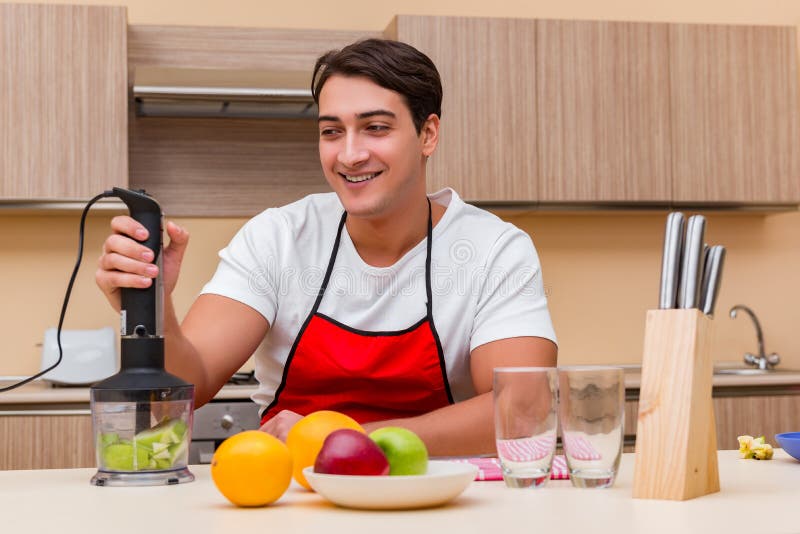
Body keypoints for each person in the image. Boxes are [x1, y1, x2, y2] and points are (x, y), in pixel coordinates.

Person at [95, 38, 557, 456]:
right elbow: (181, 395)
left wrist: (346, 440)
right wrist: (156, 308)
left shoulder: (494, 250)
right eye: (332, 131)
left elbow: (521, 409)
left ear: (428, 134)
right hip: (293, 499)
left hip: (439, 499)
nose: (350, 154)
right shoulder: (278, 239)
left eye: (376, 128)